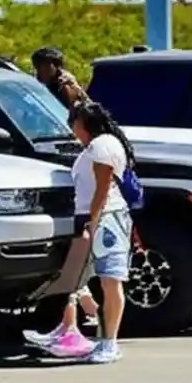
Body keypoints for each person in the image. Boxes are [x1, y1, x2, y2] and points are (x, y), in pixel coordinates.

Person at [59, 100, 135, 363]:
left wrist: (93, 221)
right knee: (78, 278)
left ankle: (109, 343)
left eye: (75, 124)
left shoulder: (103, 146)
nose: (73, 130)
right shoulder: (94, 146)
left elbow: (102, 188)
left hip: (107, 219)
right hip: (94, 218)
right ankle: (68, 330)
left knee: (110, 280)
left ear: (84, 124)